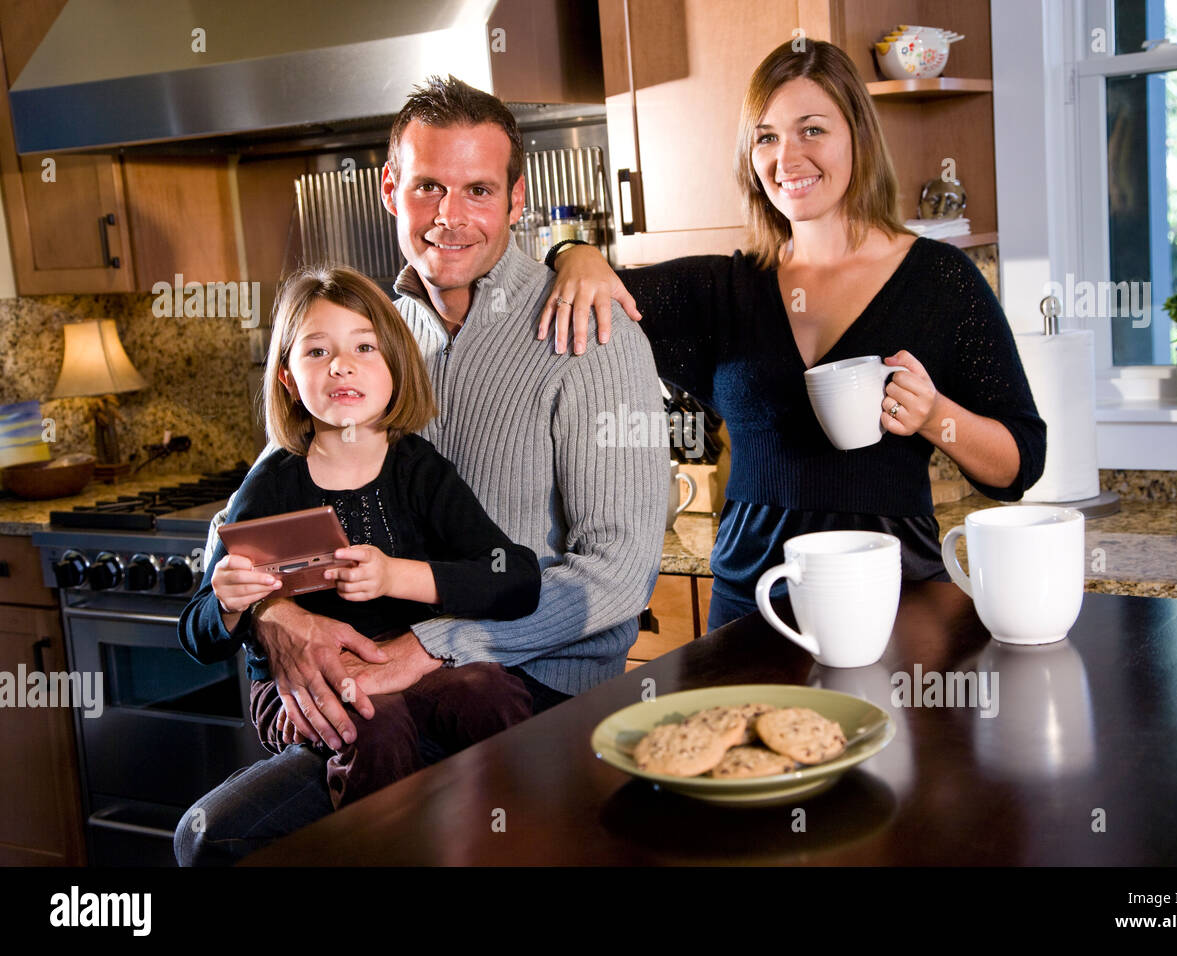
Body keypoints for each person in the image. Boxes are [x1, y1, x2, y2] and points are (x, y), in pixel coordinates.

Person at [174, 76, 667, 865]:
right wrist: (274, 617)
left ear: (516, 196)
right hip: (375, 694)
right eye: (428, 186)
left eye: (478, 189)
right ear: (388, 190)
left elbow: (616, 577)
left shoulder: (588, 331)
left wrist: (434, 645)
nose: (450, 216)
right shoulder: (367, 334)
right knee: (212, 838)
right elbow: (236, 532)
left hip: (533, 695)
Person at [538, 40, 1047, 629]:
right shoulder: (722, 288)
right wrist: (572, 251)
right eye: (767, 136)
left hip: (896, 601)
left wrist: (934, 416)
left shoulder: (940, 280)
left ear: (858, 134)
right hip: (751, 604)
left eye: (811, 130)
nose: (787, 158)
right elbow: (594, 290)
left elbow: (1020, 465)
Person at [179, 265, 542, 810]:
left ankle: (517, 836)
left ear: (396, 365)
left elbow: (516, 579)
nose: (342, 365)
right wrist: (229, 604)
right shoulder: (273, 483)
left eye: (365, 347)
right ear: (287, 378)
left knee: (489, 691)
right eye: (317, 352)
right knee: (377, 723)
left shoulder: (419, 470)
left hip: (411, 664)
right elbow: (198, 632)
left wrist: (397, 576)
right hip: (307, 685)